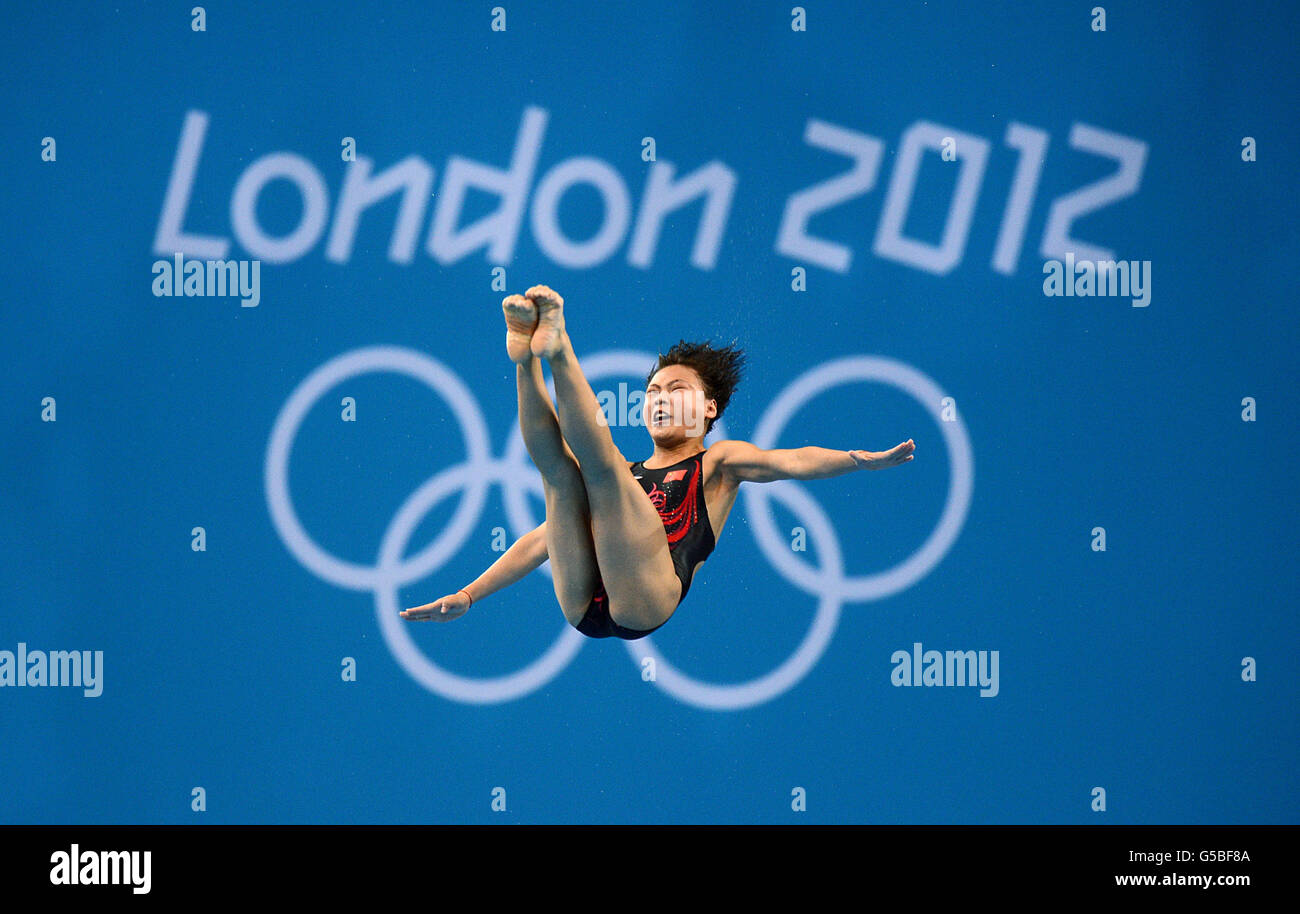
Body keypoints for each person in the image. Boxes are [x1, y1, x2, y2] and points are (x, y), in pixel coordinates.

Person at [401, 285, 915, 639]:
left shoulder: (720, 463)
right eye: (652, 391)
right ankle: (525, 360)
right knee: (561, 476)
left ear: (709, 408)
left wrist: (853, 461)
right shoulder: (626, 476)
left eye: (677, 389)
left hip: (648, 598)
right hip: (583, 604)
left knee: (600, 469)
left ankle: (558, 347)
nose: (661, 398)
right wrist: (468, 596)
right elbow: (539, 542)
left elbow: (793, 461)